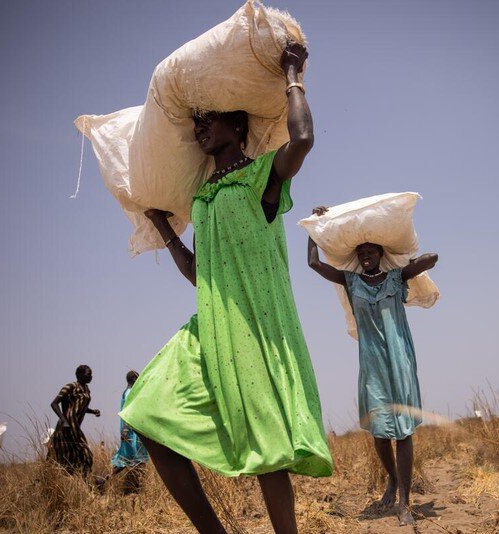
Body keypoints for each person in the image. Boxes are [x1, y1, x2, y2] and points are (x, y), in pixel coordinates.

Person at [120, 42, 333, 534]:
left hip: (257, 325)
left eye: (208, 118)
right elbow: (201, 273)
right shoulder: (202, 199)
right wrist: (165, 227)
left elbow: (302, 139)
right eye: (196, 122)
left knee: (268, 449)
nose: (200, 127)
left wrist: (293, 73)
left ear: (237, 125)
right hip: (211, 327)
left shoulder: (261, 177)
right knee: (144, 410)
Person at [307, 218, 438, 526]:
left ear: (380, 254)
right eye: (361, 252)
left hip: (400, 359)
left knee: (403, 431)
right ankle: (392, 477)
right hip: (372, 363)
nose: (365, 255)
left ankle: (405, 503)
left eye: (371, 251)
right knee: (380, 432)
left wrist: (406, 262)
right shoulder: (350, 281)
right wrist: (313, 228)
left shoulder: (396, 277)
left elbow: (432, 258)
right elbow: (313, 263)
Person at [48, 365, 100, 479]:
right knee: (77, 454)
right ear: (79, 375)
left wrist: (93, 411)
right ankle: (88, 482)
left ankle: (86, 482)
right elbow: (54, 404)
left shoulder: (86, 389)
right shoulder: (70, 386)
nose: (91, 376)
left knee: (78, 456)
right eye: (88, 374)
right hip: (66, 427)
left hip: (75, 427)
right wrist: (64, 420)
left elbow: (80, 406)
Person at [108, 371, 149, 494]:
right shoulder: (130, 393)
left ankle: (105, 479)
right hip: (131, 432)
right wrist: (126, 430)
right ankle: (133, 489)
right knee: (136, 459)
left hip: (129, 430)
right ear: (134, 379)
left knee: (128, 459)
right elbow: (129, 412)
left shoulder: (126, 392)